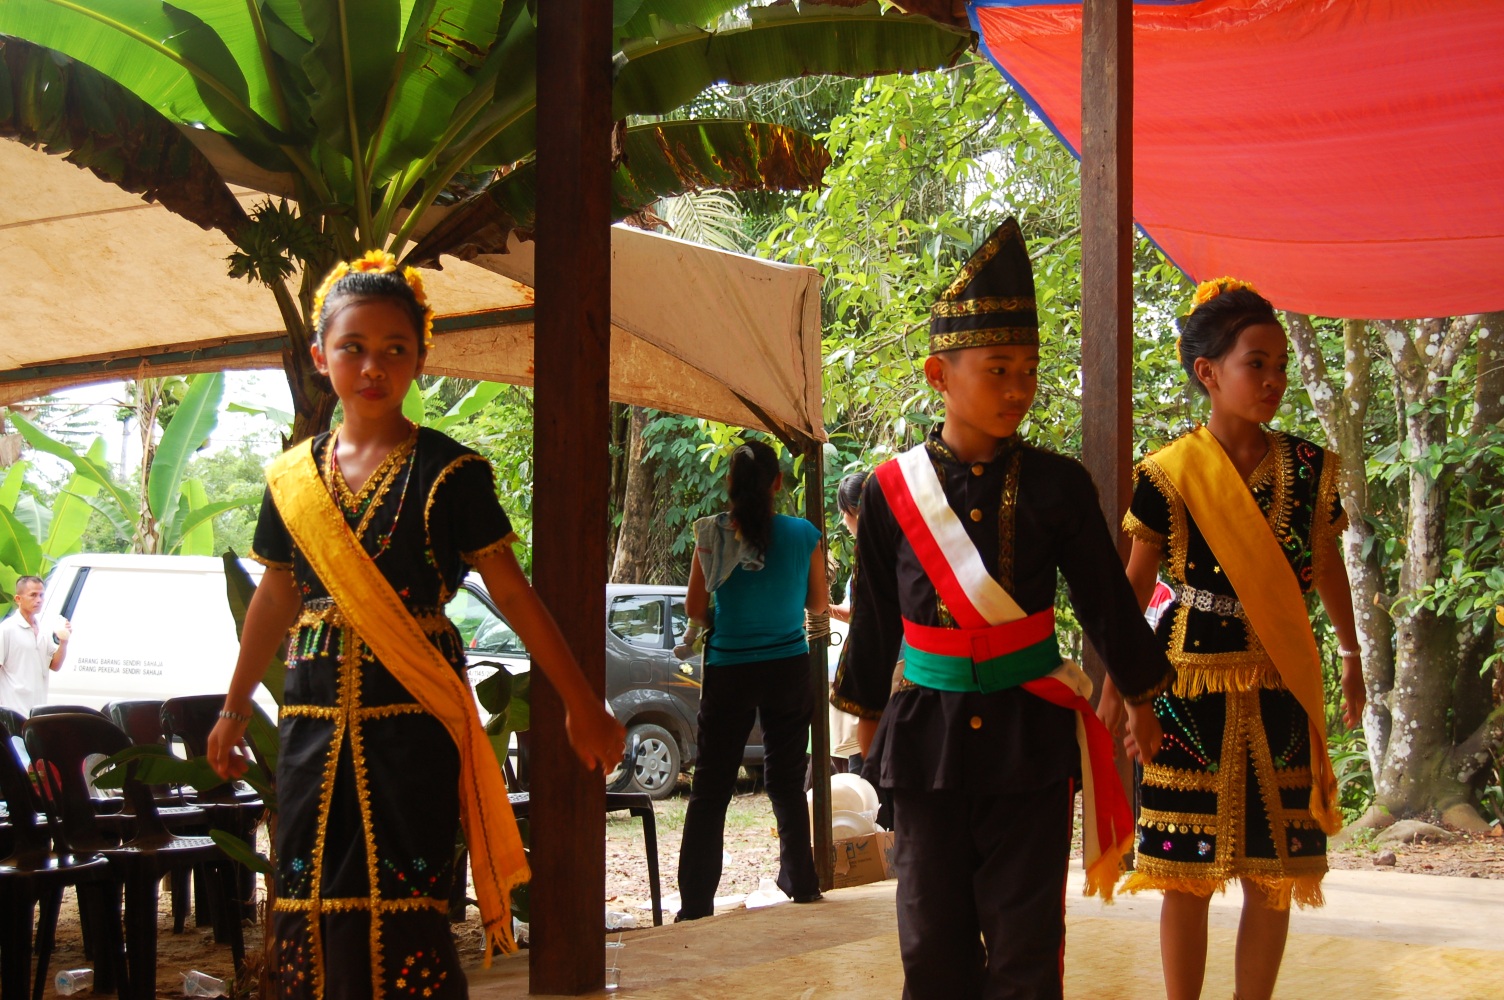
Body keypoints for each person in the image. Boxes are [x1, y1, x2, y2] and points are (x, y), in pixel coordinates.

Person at [206, 252, 623, 997]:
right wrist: (234, 708)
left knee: (407, 901)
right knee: (306, 897)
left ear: (420, 359)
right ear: (321, 357)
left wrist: (580, 702)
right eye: (354, 348)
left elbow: (515, 594)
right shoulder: (292, 480)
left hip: (413, 715)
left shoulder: (451, 473)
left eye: (394, 349)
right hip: (310, 715)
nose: (373, 367)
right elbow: (274, 595)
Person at [832, 218, 1173, 1000]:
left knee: (1026, 947)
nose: (1018, 389)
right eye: (997, 370)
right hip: (927, 741)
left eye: (1028, 370)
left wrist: (1140, 699)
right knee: (931, 944)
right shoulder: (889, 492)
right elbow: (877, 619)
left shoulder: (1060, 485)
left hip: (1030, 738)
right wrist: (869, 730)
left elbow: (1104, 596)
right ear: (939, 374)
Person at [1097, 278, 1364, 1000]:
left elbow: (1327, 565)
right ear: (1208, 372)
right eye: (1256, 364)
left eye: (1280, 365)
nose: (1273, 379)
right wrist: (1119, 686)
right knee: (1184, 873)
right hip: (1186, 686)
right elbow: (1133, 588)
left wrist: (1350, 654)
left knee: (1273, 874)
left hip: (1283, 683)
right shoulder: (1168, 473)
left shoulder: (1310, 469)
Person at [675, 439, 828, 919]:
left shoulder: (711, 533)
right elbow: (818, 604)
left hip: (730, 670)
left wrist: (726, 620)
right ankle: (802, 883)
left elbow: (695, 607)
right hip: (788, 669)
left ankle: (695, 904)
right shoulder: (804, 534)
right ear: (778, 482)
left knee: (711, 786)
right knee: (786, 780)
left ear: (729, 484)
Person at [0, 575, 71, 715]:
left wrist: (64, 641)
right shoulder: (6, 629)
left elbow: (55, 665)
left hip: (37, 711)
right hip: (13, 712)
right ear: (18, 599)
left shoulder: (43, 629)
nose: (39, 600)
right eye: (33, 595)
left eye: (41, 595)